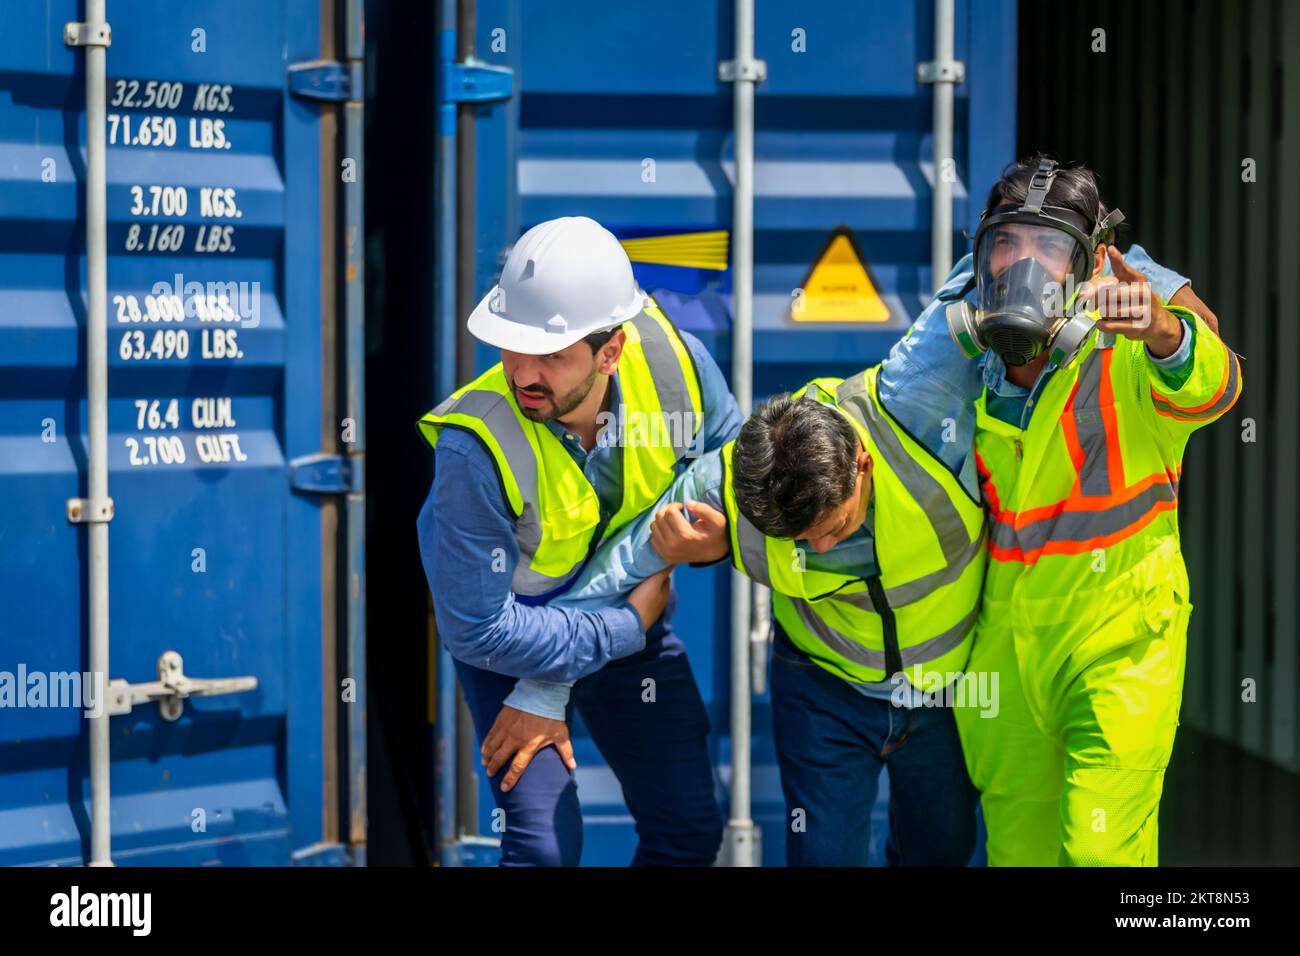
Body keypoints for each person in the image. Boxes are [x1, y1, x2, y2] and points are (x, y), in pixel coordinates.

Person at [550, 186, 1205, 864]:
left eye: (832, 525)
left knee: (941, 854)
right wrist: (543, 692)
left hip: (946, 693)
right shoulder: (728, 481)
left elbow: (999, 267)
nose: (821, 546)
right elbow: (621, 563)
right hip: (825, 690)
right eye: (800, 539)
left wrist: (1146, 297)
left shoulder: (917, 399)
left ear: (863, 463)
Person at [914, 155, 1239, 865]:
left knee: (1100, 855)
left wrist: (1162, 325)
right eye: (1006, 242)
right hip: (1004, 651)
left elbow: (1213, 385)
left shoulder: (1128, 354)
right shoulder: (954, 367)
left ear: (1090, 264)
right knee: (1018, 854)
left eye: (1051, 246)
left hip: (1120, 642)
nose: (1023, 265)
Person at [415, 215, 742, 866]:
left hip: (631, 633)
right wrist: (623, 624)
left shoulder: (676, 366)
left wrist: (718, 543)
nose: (523, 374)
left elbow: (732, 472)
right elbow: (478, 631)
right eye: (511, 347)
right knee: (543, 853)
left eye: (551, 355)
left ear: (611, 351)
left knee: (689, 830)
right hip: (519, 650)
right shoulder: (471, 451)